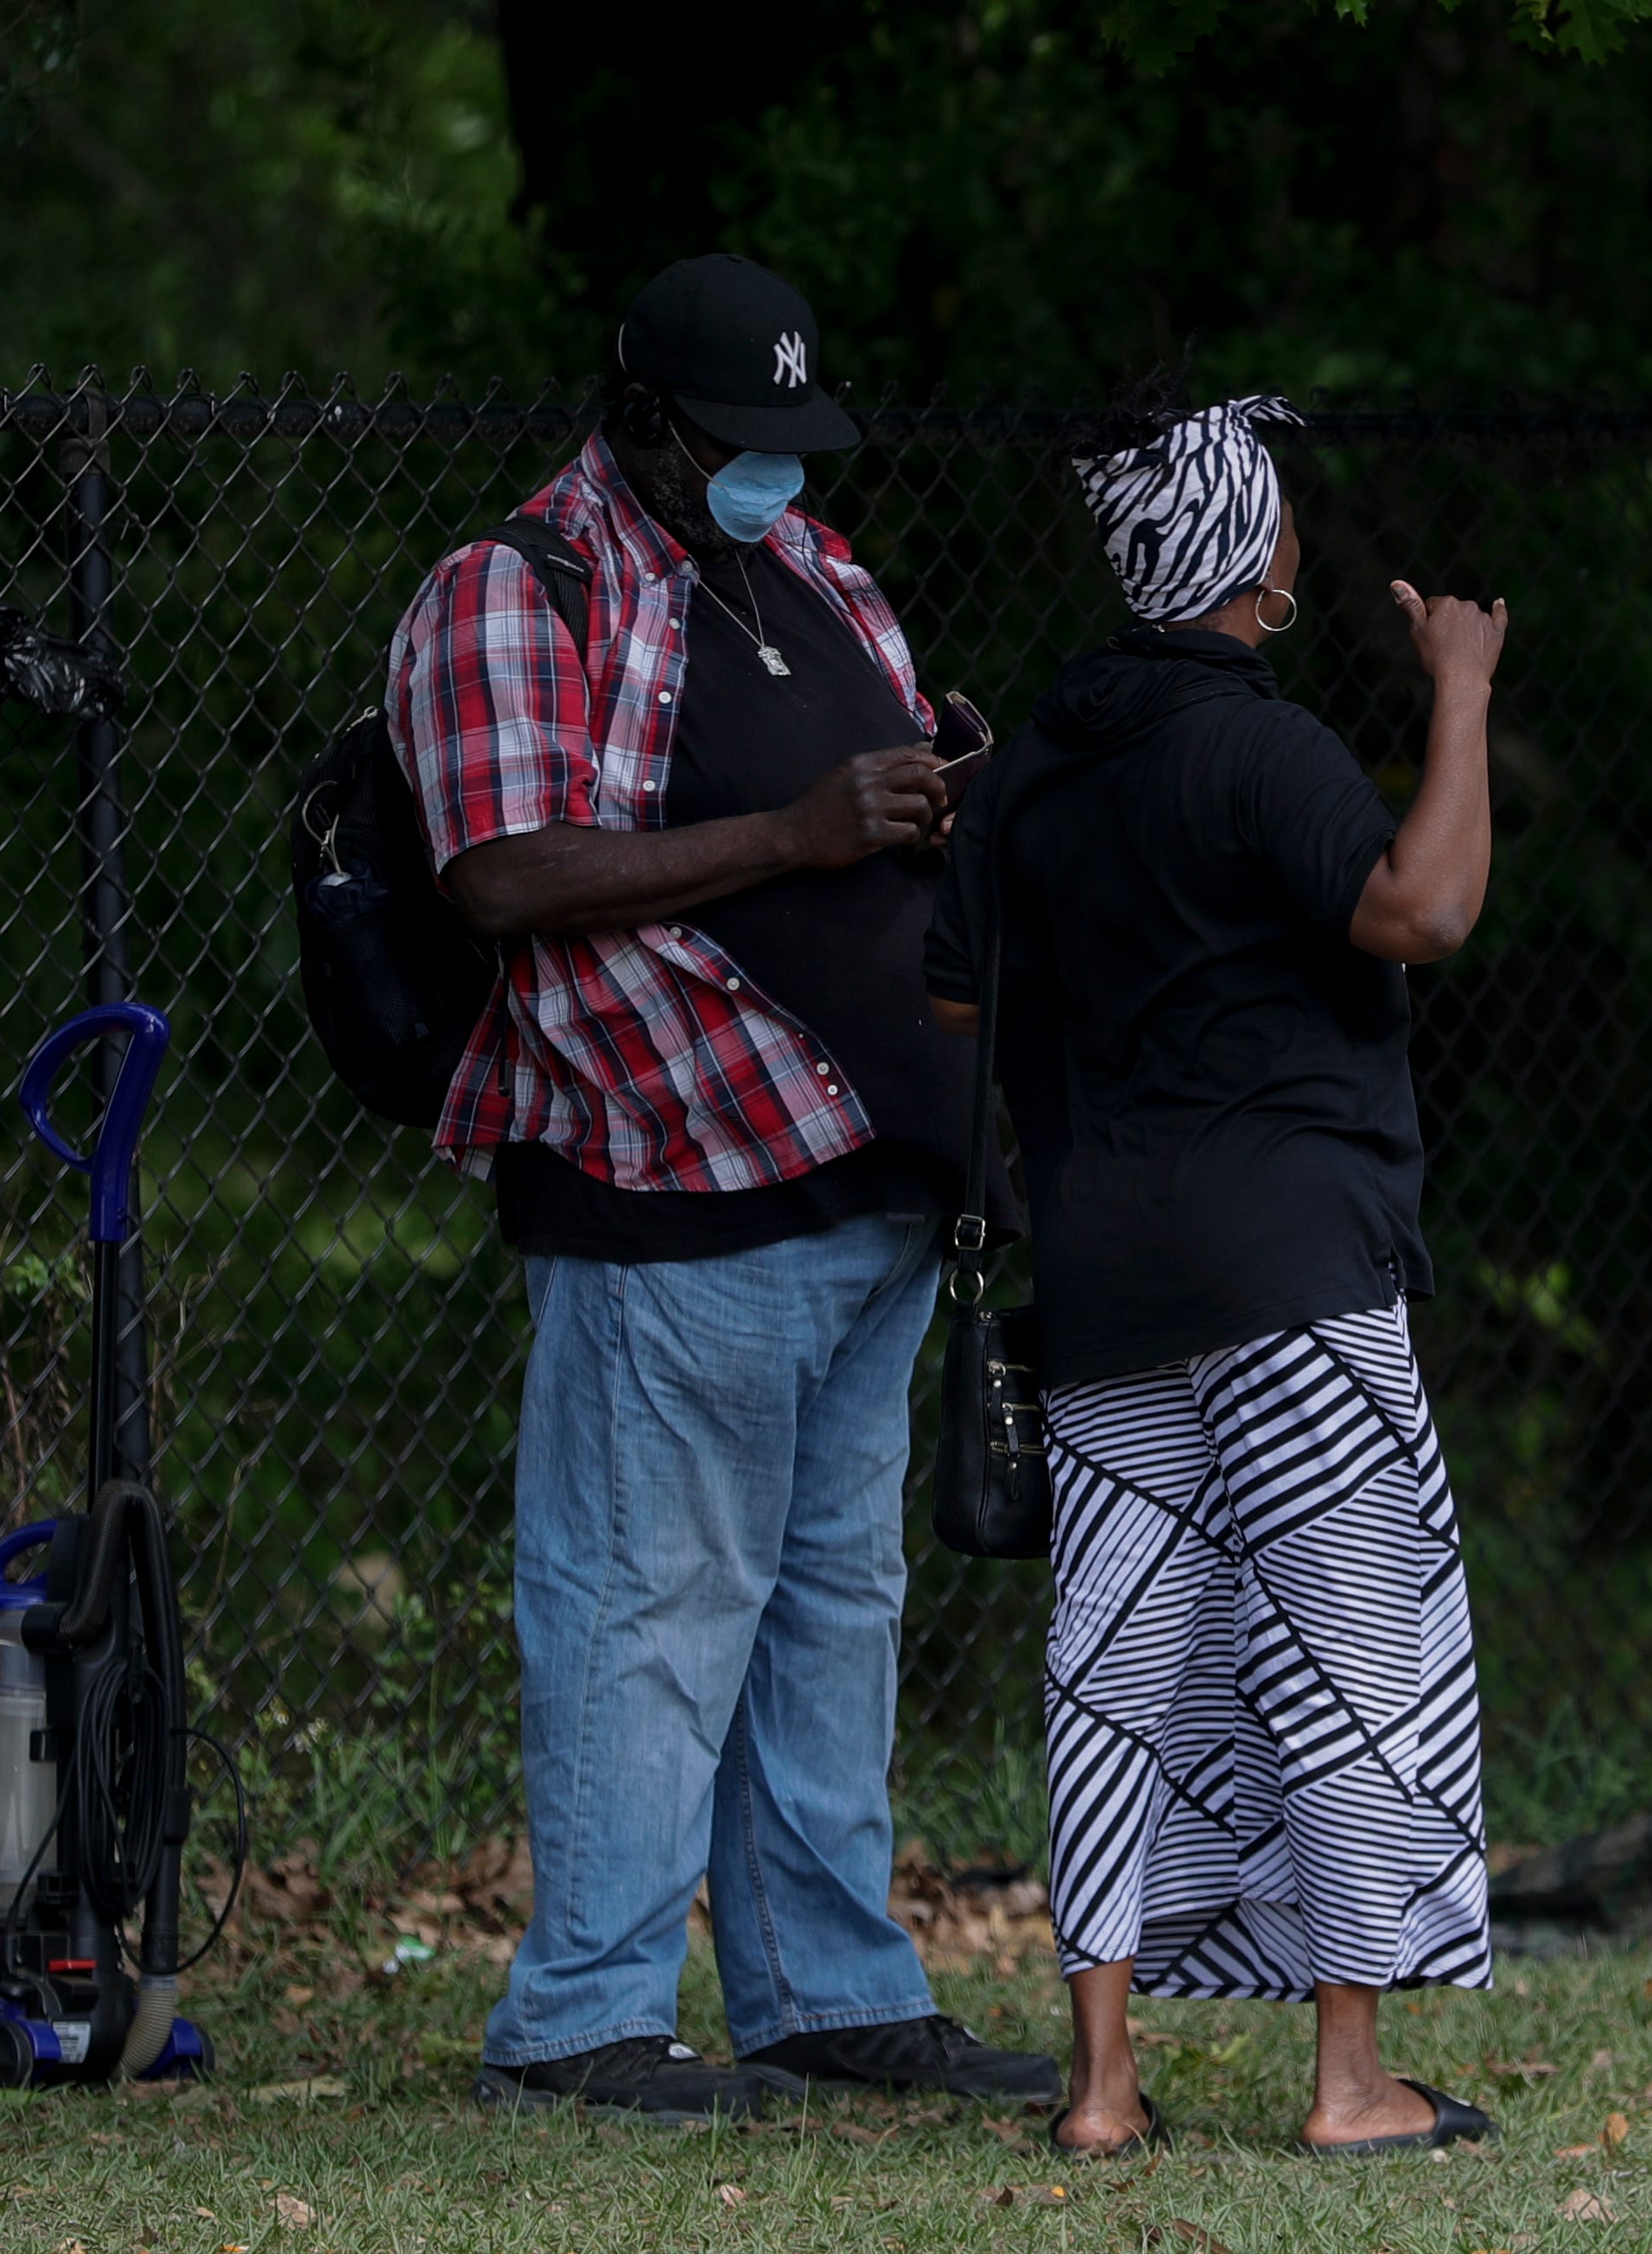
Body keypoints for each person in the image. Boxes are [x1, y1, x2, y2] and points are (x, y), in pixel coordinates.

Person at [389, 253, 1062, 2122]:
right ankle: (583, 2020)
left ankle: (826, 1991)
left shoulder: (813, 564)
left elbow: (879, 789)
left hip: (872, 1185)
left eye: (791, 438)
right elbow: (502, 873)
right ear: (642, 422)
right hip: (667, 1180)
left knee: (828, 1609)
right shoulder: (514, 590)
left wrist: (936, 784)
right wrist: (800, 828)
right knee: (644, 1603)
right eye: (736, 444)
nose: (770, 473)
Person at [926, 387, 1506, 2157]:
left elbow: (955, 997)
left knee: (1116, 1662)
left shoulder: (1027, 773)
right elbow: (1421, 909)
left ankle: (1098, 2085)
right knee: (1345, 1646)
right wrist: (1462, 692)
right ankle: (1350, 2082)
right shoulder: (1259, 750)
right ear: (1254, 556)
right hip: (1292, 1272)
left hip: (1105, 1280)